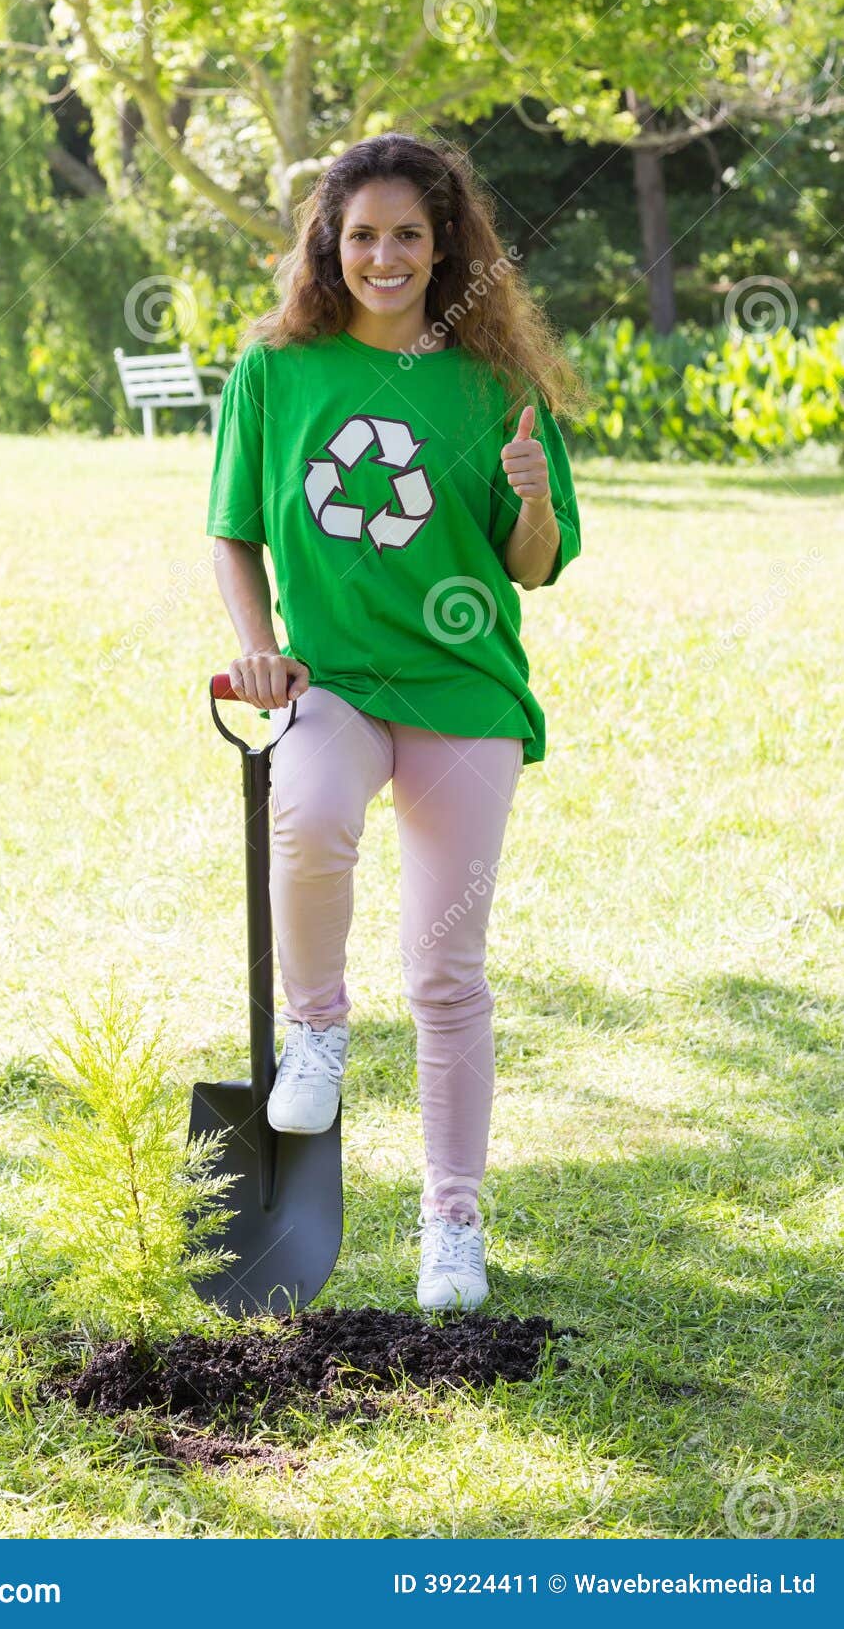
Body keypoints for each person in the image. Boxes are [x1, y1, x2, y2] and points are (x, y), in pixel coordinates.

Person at [205, 131, 589, 1311]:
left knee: (444, 968)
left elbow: (532, 567)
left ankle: (450, 1222)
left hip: (462, 693)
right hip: (334, 681)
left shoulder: (489, 383)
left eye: (407, 236)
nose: (382, 255)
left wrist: (528, 503)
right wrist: (259, 647)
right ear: (329, 240)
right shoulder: (276, 371)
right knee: (309, 817)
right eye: (361, 233)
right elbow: (232, 530)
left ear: (444, 248)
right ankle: (314, 1028)